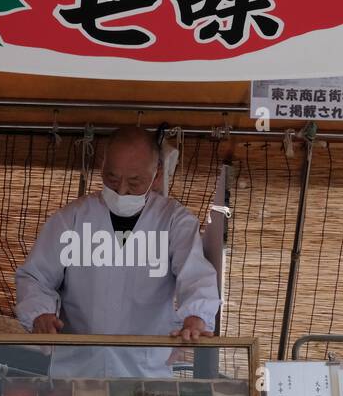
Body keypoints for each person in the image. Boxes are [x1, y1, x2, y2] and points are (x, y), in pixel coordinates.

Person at [15, 126, 221, 377]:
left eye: (134, 182)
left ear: (156, 175)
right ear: (102, 167)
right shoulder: (72, 219)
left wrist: (196, 317)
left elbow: (196, 275)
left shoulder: (174, 222)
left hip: (146, 372)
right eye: (112, 179)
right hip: (77, 372)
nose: (122, 190)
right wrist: (40, 313)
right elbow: (35, 277)